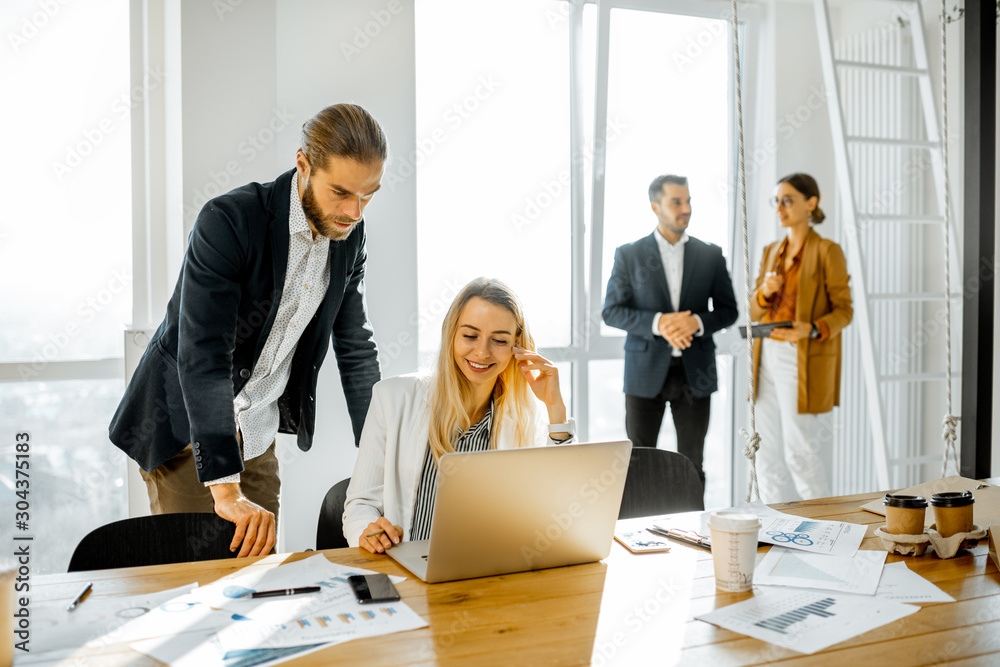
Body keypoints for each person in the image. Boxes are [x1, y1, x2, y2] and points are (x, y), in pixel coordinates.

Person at [109, 104, 386, 557]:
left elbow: (356, 346)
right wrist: (225, 490)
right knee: (192, 580)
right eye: (340, 192)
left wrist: (382, 458)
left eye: (368, 195)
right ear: (303, 165)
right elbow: (203, 355)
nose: (354, 211)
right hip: (184, 430)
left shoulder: (349, 234)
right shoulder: (230, 221)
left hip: (257, 433)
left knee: (257, 582)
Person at [343, 278, 575, 553]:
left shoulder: (526, 417)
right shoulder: (392, 398)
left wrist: (555, 407)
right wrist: (368, 532)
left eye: (499, 340)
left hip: (487, 574)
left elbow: (558, 514)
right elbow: (360, 506)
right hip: (405, 573)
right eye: (470, 335)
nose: (482, 351)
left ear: (518, 346)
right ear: (450, 333)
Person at [602, 174, 738, 486]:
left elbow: (729, 311)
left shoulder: (710, 255)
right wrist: (659, 323)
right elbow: (611, 311)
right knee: (637, 465)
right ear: (655, 206)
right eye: (677, 201)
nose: (686, 208)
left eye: (688, 200)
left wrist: (697, 322)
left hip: (696, 374)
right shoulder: (629, 254)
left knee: (693, 465)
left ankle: (695, 533)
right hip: (643, 374)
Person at [750, 172, 853, 502]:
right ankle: (770, 524)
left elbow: (844, 310)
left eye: (788, 199)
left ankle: (824, 525)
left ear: (811, 203)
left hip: (799, 355)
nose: (780, 207)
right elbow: (754, 310)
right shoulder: (770, 251)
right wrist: (764, 293)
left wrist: (809, 328)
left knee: (800, 451)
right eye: (776, 201)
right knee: (764, 448)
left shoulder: (827, 251)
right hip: (764, 354)